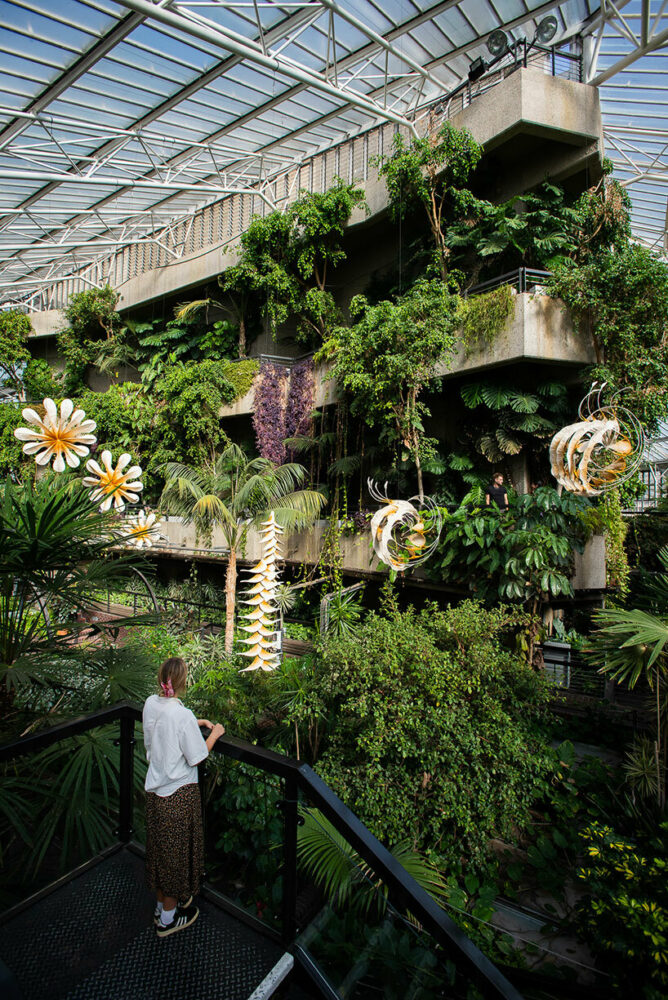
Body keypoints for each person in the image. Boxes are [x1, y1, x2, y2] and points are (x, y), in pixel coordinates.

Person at [143, 656, 225, 939]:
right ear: (182, 682)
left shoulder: (151, 704)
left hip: (155, 792)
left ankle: (159, 908)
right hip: (177, 795)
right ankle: (167, 920)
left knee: (160, 853)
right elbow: (198, 755)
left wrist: (194, 720)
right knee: (175, 858)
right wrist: (213, 733)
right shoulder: (181, 715)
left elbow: (165, 728)